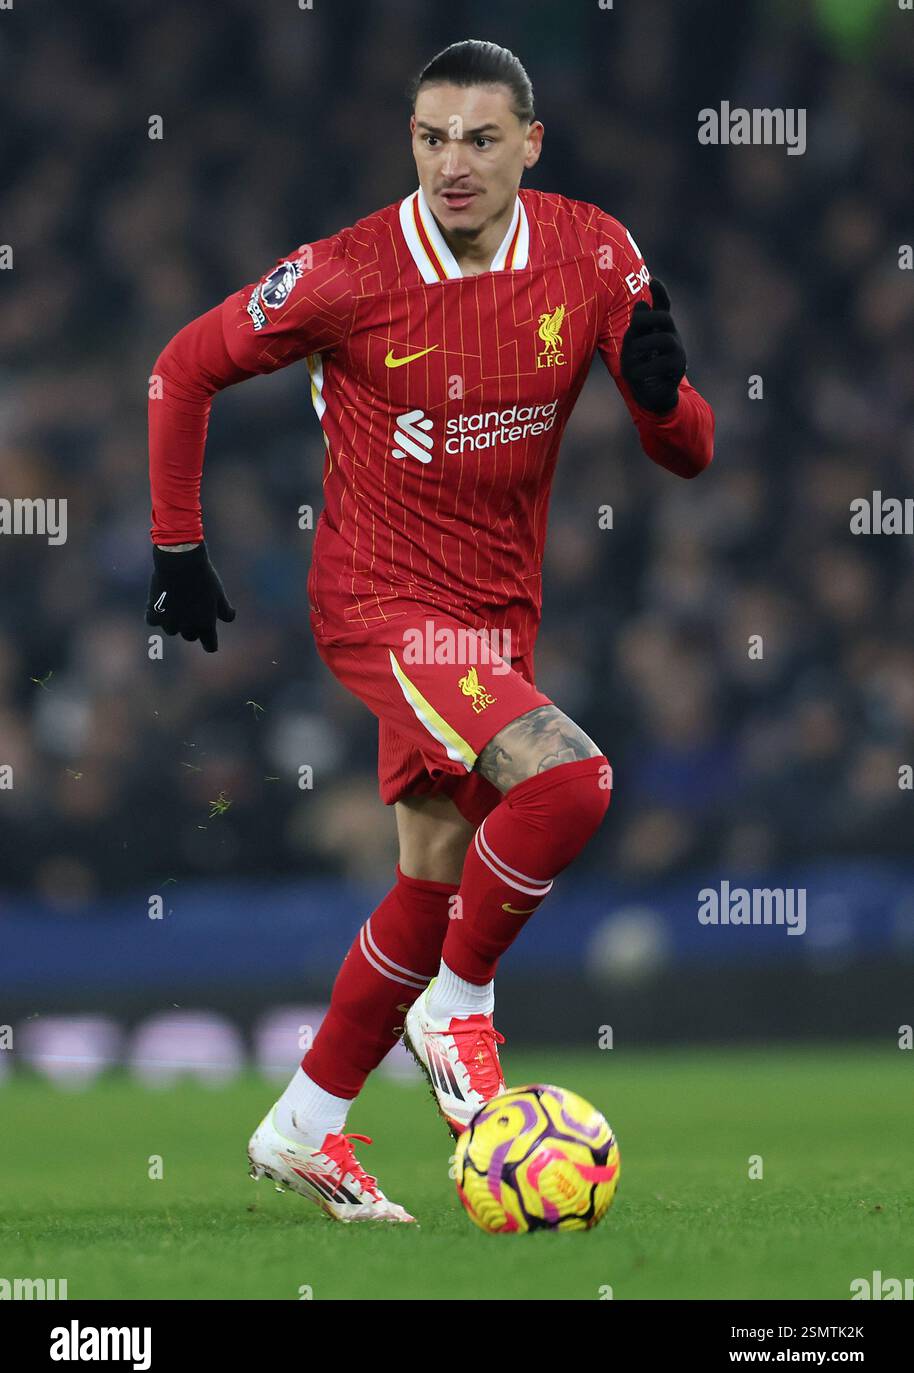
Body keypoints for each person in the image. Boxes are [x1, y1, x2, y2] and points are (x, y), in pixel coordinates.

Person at [146, 40, 714, 1223]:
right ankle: (457, 1007)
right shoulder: (346, 272)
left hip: (498, 611)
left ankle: (303, 1124)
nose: (451, 164)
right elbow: (182, 368)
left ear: (529, 144)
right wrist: (176, 545)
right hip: (380, 599)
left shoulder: (594, 251)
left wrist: (664, 400)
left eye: (479, 138)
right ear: (410, 141)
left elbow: (687, 454)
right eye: (429, 138)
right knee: (568, 784)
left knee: (426, 881)